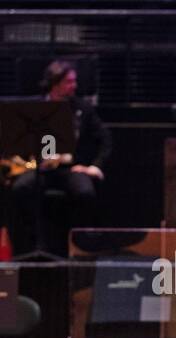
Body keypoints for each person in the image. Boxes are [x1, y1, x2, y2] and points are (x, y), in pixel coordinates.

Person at [9, 60, 111, 255]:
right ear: (55, 83)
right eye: (69, 82)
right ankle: (26, 248)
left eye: (74, 81)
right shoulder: (34, 108)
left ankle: (81, 249)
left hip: (70, 169)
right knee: (20, 189)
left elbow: (105, 140)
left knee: (85, 193)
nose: (74, 86)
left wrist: (94, 166)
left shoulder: (82, 108)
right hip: (40, 168)